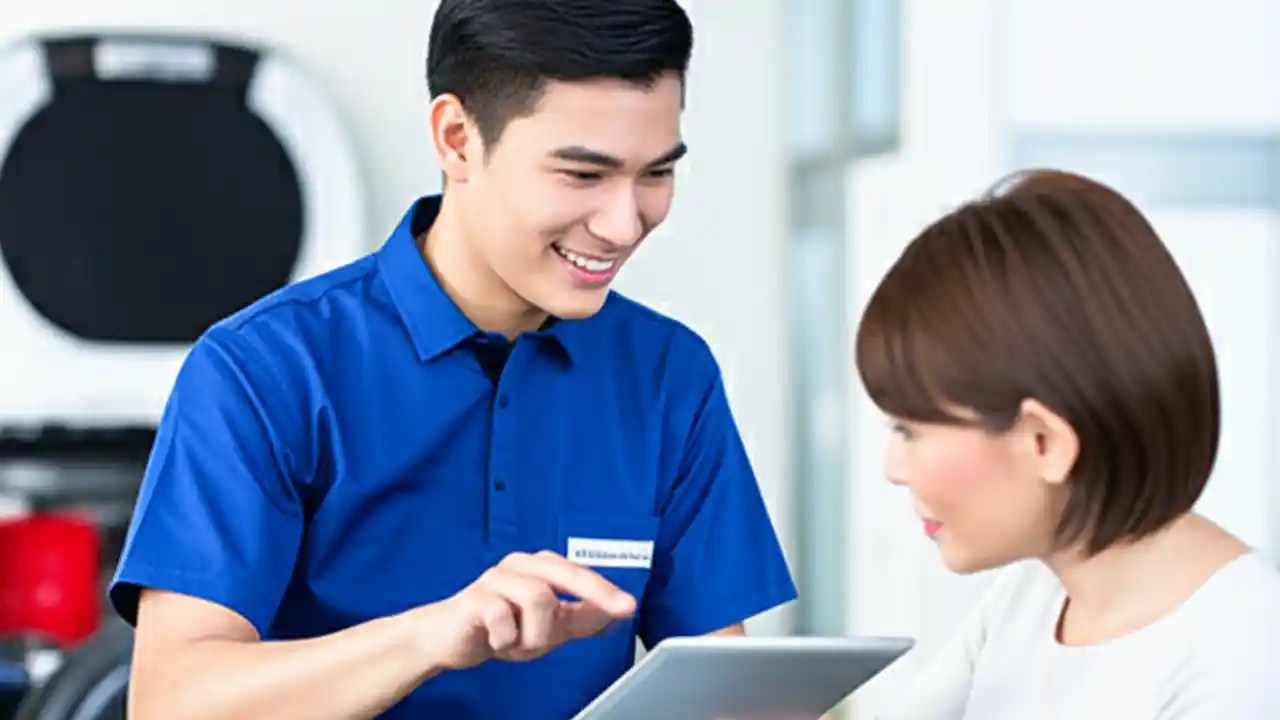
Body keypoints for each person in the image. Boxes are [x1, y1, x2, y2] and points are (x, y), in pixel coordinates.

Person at [109, 1, 797, 718]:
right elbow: (172, 703)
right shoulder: (263, 370)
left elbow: (728, 697)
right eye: (582, 176)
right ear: (457, 138)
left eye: (655, 174)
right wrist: (431, 637)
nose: (625, 223)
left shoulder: (668, 375)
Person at [855, 169, 1280, 719]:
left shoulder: (1245, 654)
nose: (894, 468)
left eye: (909, 430)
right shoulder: (1030, 598)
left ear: (1044, 442)